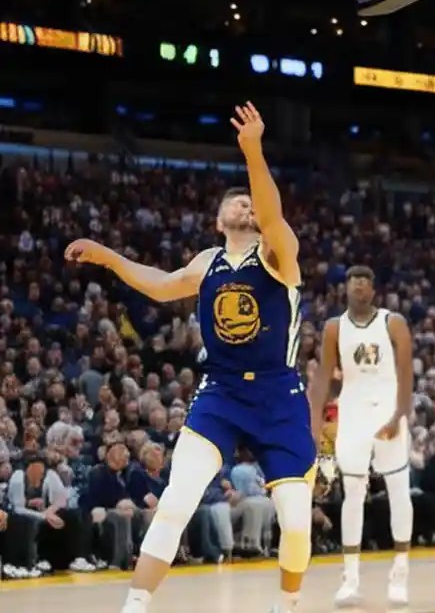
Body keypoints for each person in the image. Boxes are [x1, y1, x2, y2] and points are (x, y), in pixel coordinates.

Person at [65, 103, 315, 613]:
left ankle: (288, 603)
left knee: (295, 519)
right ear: (218, 218)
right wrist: (108, 256)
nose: (247, 207)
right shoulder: (208, 262)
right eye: (238, 202)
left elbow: (271, 214)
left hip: (277, 393)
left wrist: (253, 151)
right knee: (178, 496)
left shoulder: (278, 251)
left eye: (252, 202)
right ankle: (135, 603)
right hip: (222, 391)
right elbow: (159, 285)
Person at [310, 266, 414, 607]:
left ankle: (400, 572)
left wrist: (400, 415)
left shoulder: (392, 322)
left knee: (399, 490)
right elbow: (324, 377)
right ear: (345, 289)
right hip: (352, 410)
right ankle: (350, 577)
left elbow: (405, 372)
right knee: (352, 492)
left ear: (373, 290)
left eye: (365, 283)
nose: (359, 288)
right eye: (353, 283)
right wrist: (314, 424)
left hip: (387, 406)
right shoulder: (333, 327)